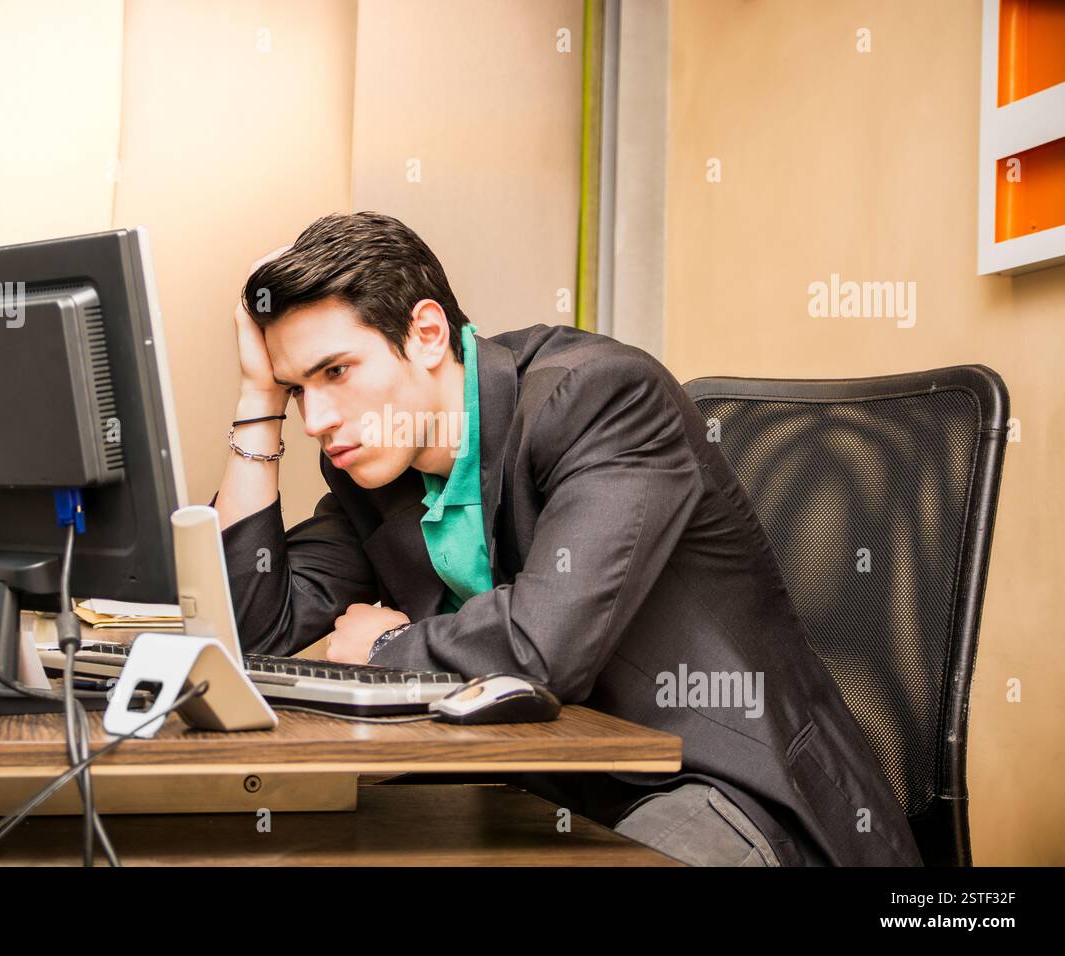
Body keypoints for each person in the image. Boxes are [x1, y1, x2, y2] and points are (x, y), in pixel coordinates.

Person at [207, 210, 923, 867]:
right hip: (537, 784)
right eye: (299, 389)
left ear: (427, 334)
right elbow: (250, 631)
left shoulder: (601, 396)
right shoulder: (374, 471)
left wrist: (383, 651)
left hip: (715, 786)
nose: (317, 420)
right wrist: (255, 402)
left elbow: (543, 648)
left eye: (336, 371)